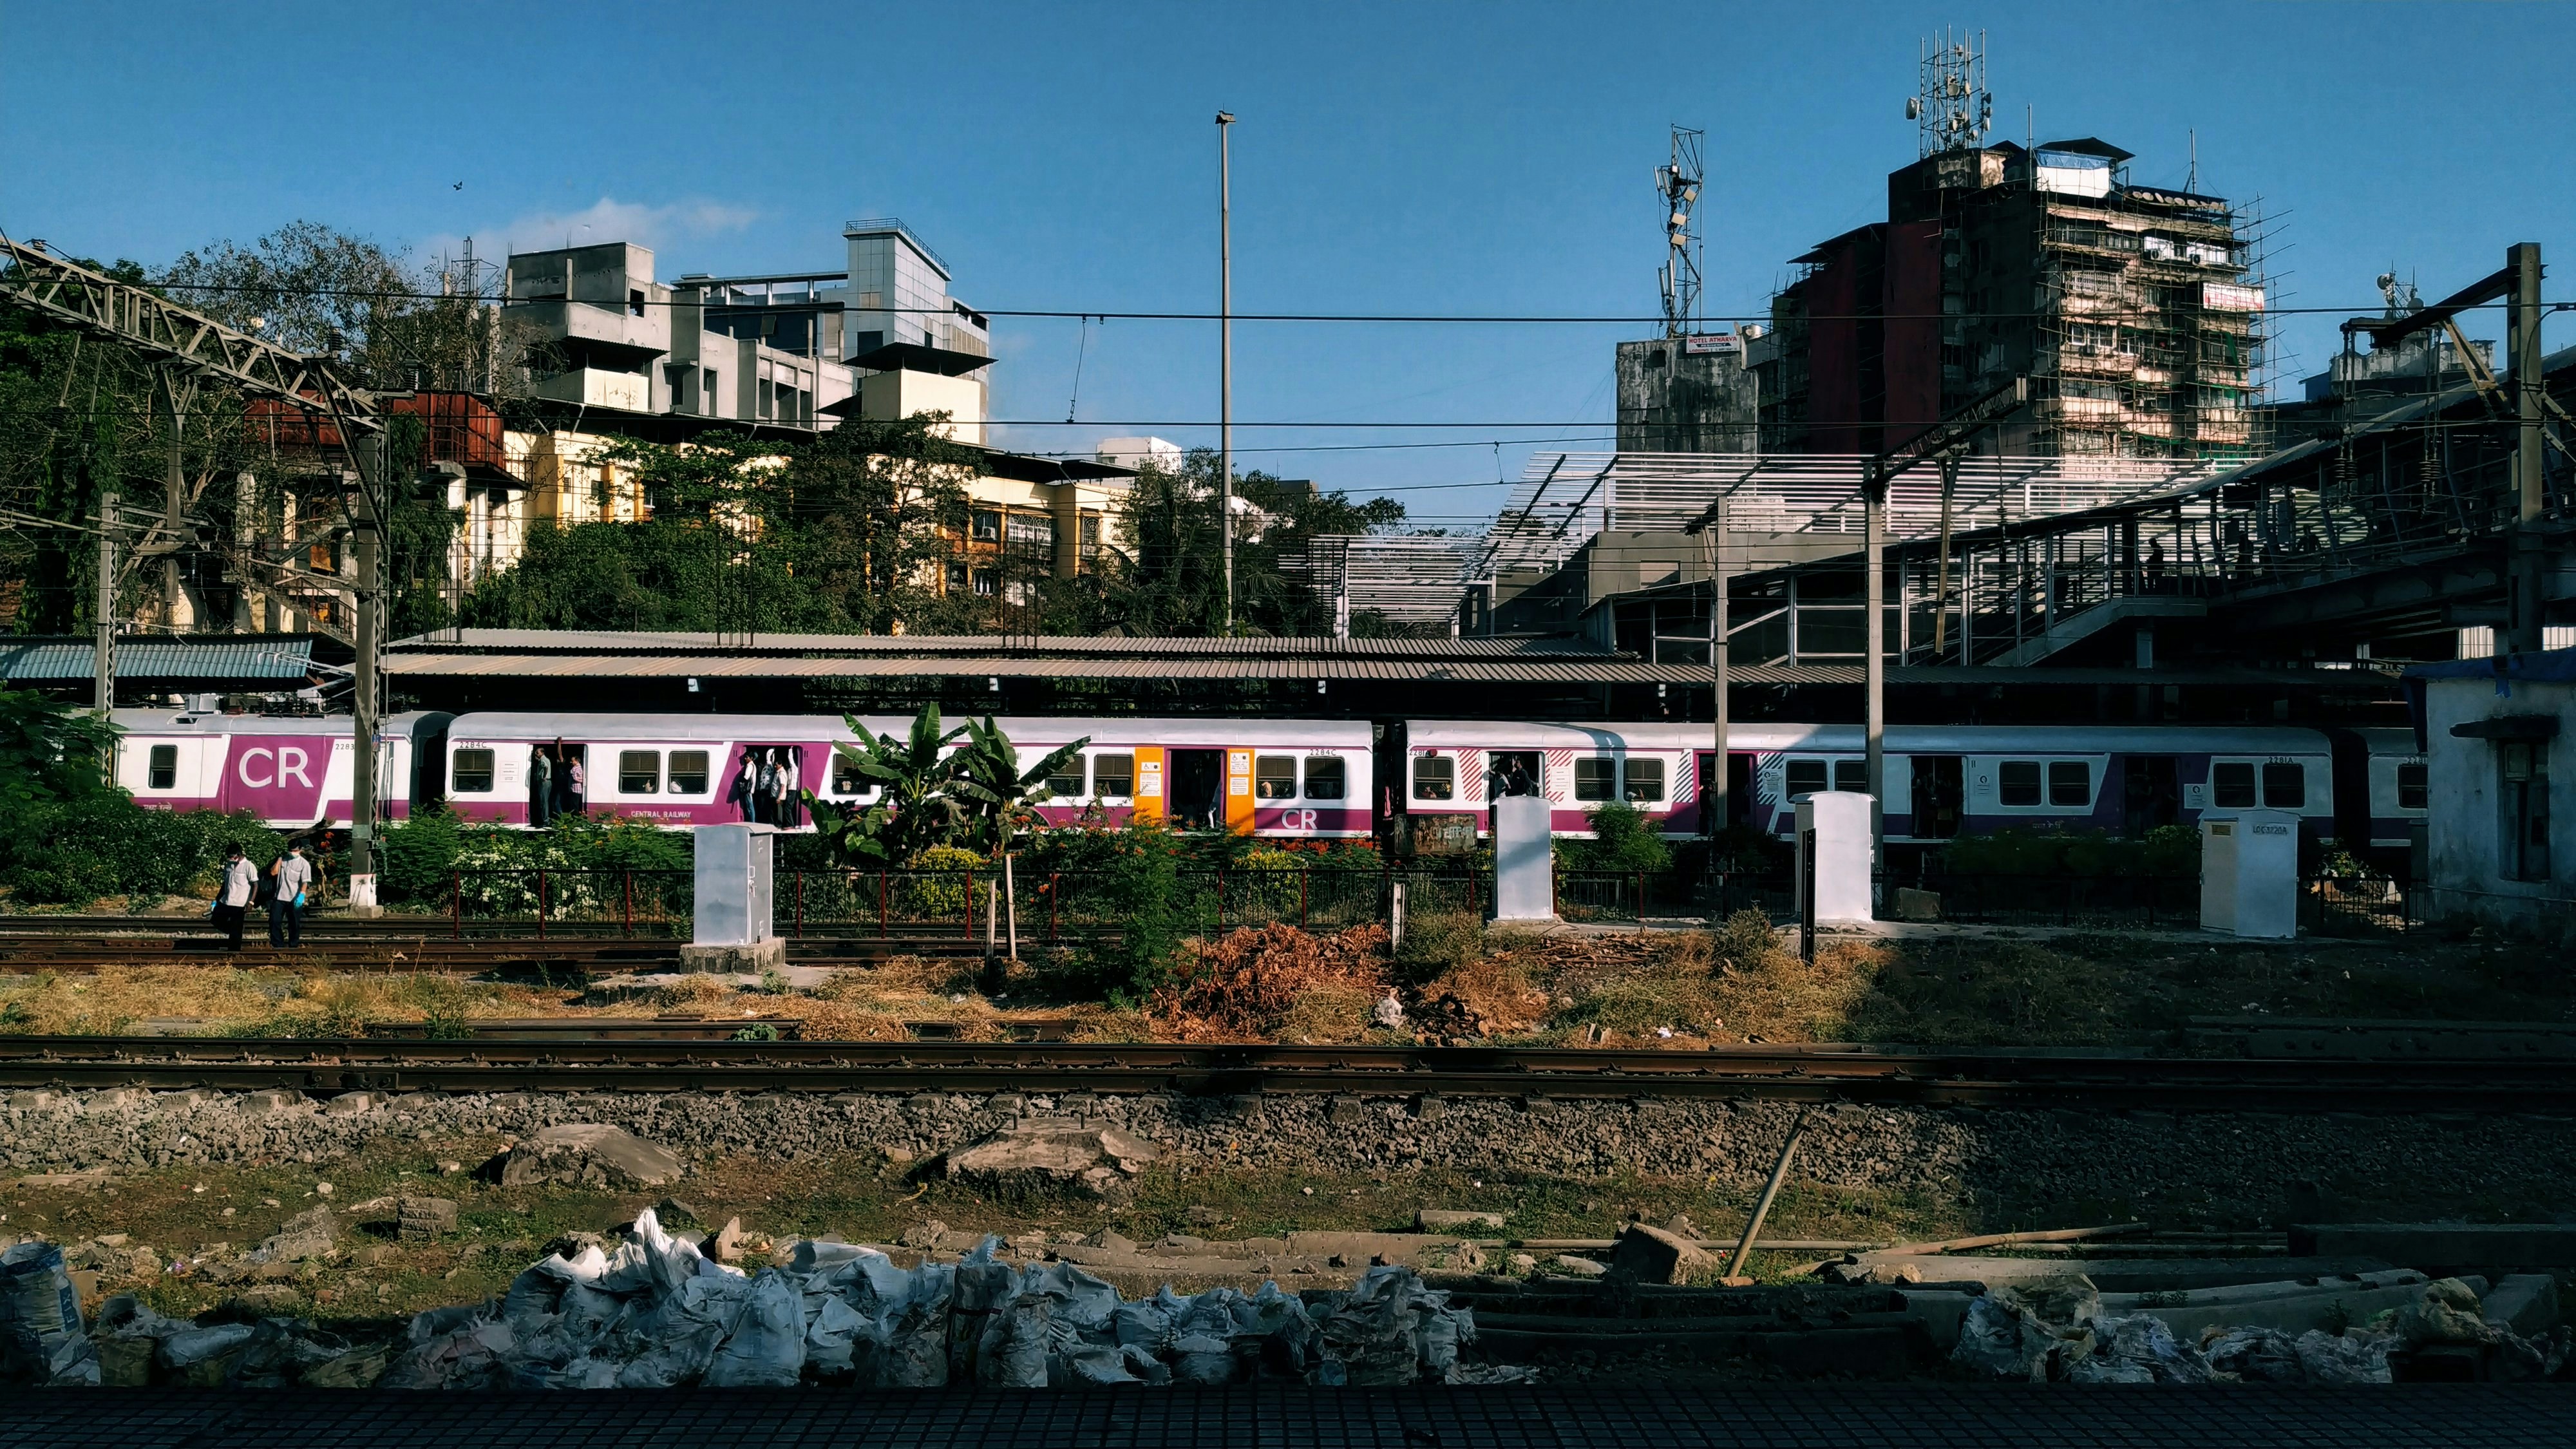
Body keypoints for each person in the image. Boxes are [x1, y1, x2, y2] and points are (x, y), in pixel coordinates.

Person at [269, 842, 313, 949]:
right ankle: (277, 945)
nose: (293, 853)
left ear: (300, 850)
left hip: (295, 898)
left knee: (294, 923)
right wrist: (279, 860)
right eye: (291, 851)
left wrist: (302, 895)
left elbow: (305, 881)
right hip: (279, 897)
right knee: (274, 921)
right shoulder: (284, 860)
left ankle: (293, 945)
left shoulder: (304, 864)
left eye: (295, 851)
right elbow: (273, 873)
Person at [213, 845, 256, 952]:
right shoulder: (229, 865)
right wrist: (217, 899)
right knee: (216, 920)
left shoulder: (249, 866)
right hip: (227, 900)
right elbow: (225, 883)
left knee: (236, 930)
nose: (231, 858)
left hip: (240, 903)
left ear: (239, 855)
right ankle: (232, 931)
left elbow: (256, 885)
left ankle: (234, 952)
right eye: (229, 857)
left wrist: (251, 902)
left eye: (232, 856)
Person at [726, 748, 759, 822]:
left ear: (751, 758)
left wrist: (740, 780)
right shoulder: (753, 765)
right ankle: (752, 820)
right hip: (750, 788)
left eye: (747, 757)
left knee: (750, 806)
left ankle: (752, 821)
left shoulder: (750, 766)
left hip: (748, 789)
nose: (745, 759)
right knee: (749, 805)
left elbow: (746, 777)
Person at [528, 745, 554, 828]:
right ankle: (546, 819)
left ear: (542, 753)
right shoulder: (544, 759)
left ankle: (545, 821)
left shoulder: (543, 760)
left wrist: (544, 776)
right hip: (548, 782)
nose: (536, 753)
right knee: (545, 801)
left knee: (544, 802)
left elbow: (546, 766)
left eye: (538, 752)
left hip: (544, 783)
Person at [559, 744, 586, 819]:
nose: (571, 762)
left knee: (575, 806)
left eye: (572, 761)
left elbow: (581, 779)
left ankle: (575, 819)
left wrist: (575, 777)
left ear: (577, 761)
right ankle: (574, 818)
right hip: (573, 789)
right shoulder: (575, 768)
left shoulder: (578, 769)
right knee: (572, 805)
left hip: (576, 790)